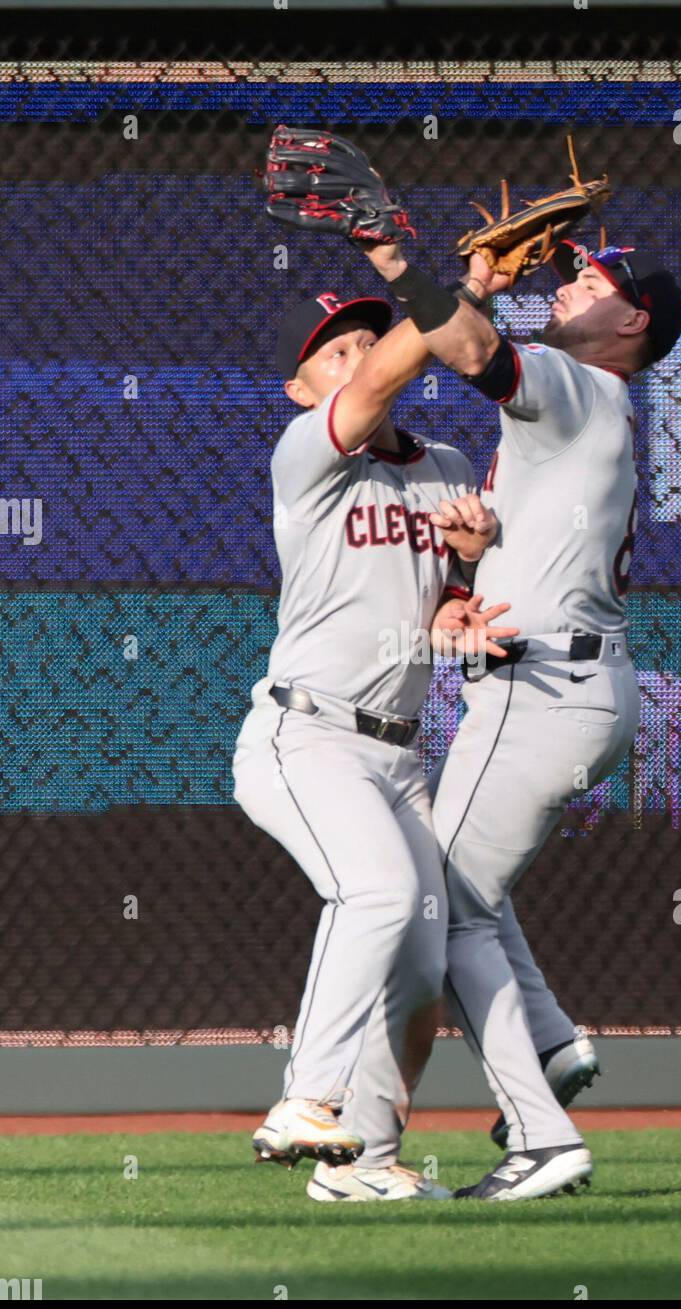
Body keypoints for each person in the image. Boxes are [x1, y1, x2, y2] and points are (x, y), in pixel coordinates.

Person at [354, 237, 681, 1199]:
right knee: (468, 894)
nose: (570, 284)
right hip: (565, 687)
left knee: (436, 908)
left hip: (537, 697)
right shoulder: (576, 416)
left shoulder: (580, 387)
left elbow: (469, 351)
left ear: (631, 325)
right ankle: (546, 1043)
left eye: (593, 284)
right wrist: (468, 570)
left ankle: (542, 1137)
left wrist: (391, 255)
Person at [233, 288, 513, 1201]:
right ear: (299, 389)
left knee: (424, 963)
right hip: (304, 734)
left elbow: (432, 618)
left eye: (364, 340)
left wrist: (464, 579)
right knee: (379, 892)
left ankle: (364, 1163)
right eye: (334, 353)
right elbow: (394, 370)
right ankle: (304, 1098)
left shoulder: (447, 466)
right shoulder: (307, 451)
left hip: (399, 753)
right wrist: (452, 284)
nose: (355, 359)